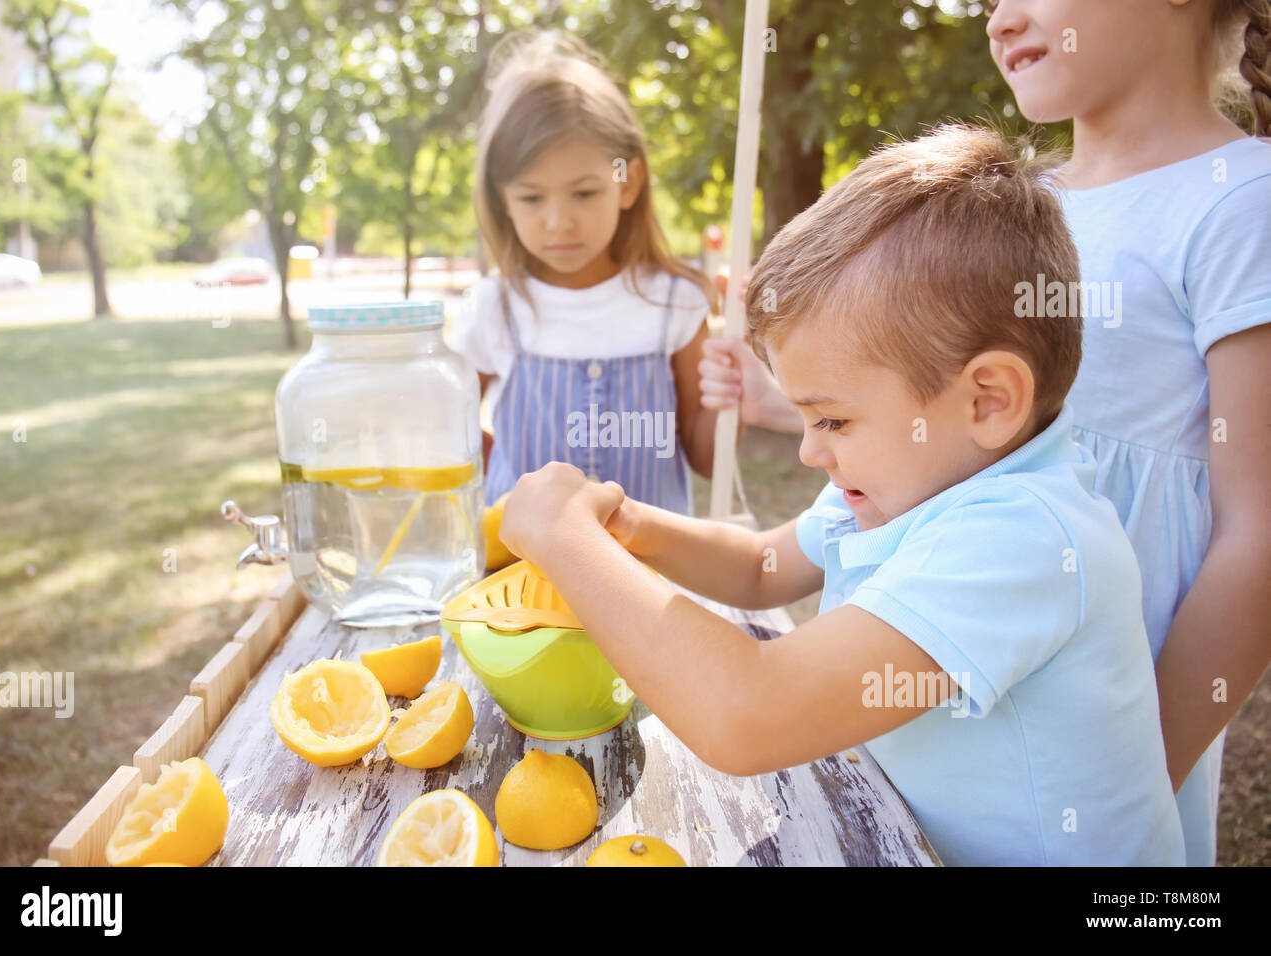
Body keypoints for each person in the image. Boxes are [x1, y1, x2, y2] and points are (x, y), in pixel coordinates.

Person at [499, 125, 1185, 866]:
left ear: (988, 400)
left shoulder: (1028, 537)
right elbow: (763, 566)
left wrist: (565, 542)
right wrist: (628, 525)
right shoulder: (916, 480)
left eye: (833, 418)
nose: (808, 448)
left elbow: (748, 713)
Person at [699, 0, 1271, 866]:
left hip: (1097, 719)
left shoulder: (1242, 198)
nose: (1001, 18)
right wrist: (796, 406)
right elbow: (938, 428)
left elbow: (1257, 531)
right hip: (941, 663)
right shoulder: (1015, 206)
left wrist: (1137, 772)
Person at [448, 30, 720, 515]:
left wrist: (727, 391)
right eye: (532, 197)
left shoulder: (674, 304)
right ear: (502, 198)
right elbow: (449, 427)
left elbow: (709, 461)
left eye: (585, 192)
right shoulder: (495, 308)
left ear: (627, 182)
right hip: (523, 583)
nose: (559, 222)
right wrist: (504, 476)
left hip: (651, 582)